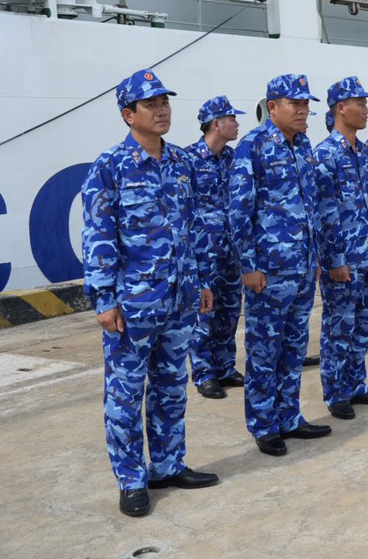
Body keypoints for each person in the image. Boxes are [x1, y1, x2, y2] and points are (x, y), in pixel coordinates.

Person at [82, 69, 218, 517]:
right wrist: (103, 300)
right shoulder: (110, 167)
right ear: (128, 114)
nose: (162, 110)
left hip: (178, 299)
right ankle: (131, 478)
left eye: (165, 102)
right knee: (124, 393)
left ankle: (167, 465)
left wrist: (201, 281)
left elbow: (193, 228)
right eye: (150, 104)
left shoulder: (181, 162)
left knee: (171, 386)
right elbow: (98, 236)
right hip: (134, 303)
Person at [230, 74, 334, 456]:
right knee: (264, 351)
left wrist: (316, 257)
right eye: (295, 103)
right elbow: (239, 211)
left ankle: (289, 417)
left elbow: (312, 207)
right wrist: (248, 266)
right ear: (272, 107)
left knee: (293, 348)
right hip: (268, 272)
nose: (304, 110)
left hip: (304, 268)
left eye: (306, 103)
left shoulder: (304, 145)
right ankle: (263, 424)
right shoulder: (253, 147)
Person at [313, 76, 368, 421]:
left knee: (363, 325)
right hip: (344, 260)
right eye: (359, 103)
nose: (366, 109)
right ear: (340, 108)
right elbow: (323, 212)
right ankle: (336, 392)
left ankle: (356, 383)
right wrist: (333, 259)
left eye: (366, 103)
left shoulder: (365, 152)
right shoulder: (325, 154)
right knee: (339, 327)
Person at [186, 96, 246, 400]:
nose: (237, 124)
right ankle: (204, 372)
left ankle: (224, 366)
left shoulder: (234, 159)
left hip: (232, 249)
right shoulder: (188, 160)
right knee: (204, 312)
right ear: (216, 124)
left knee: (230, 310)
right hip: (203, 252)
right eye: (232, 119)